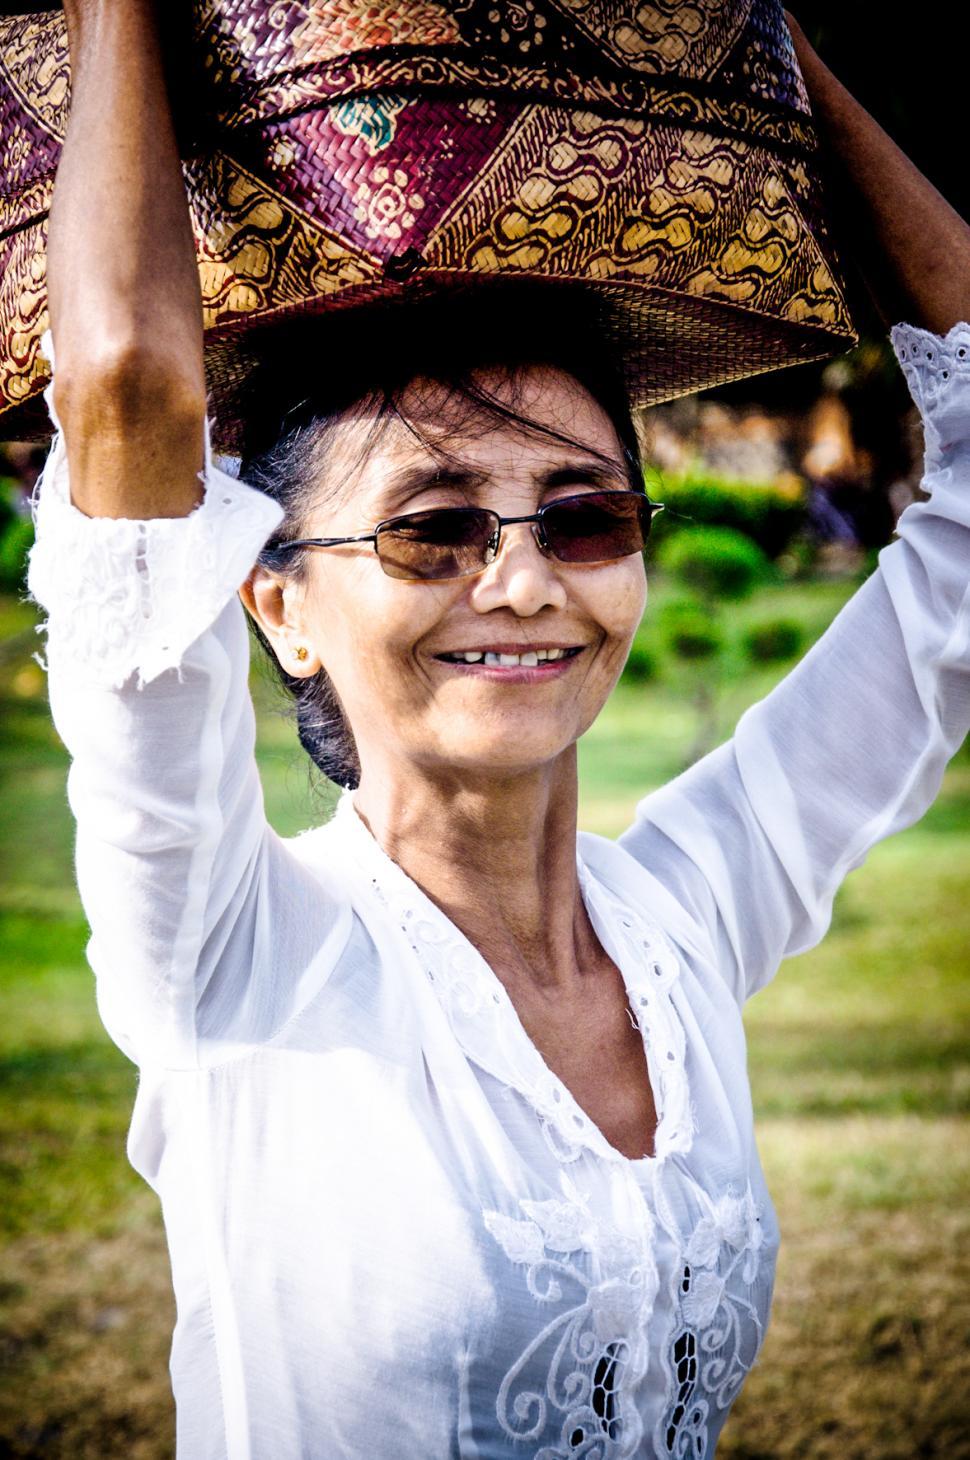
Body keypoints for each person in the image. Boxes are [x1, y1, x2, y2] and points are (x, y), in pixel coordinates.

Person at [28, 2, 970, 1456]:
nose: (523, 579)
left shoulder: (688, 912)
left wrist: (771, 51)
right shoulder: (232, 960)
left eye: (584, 516)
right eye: (431, 530)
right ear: (274, 604)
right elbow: (128, 391)